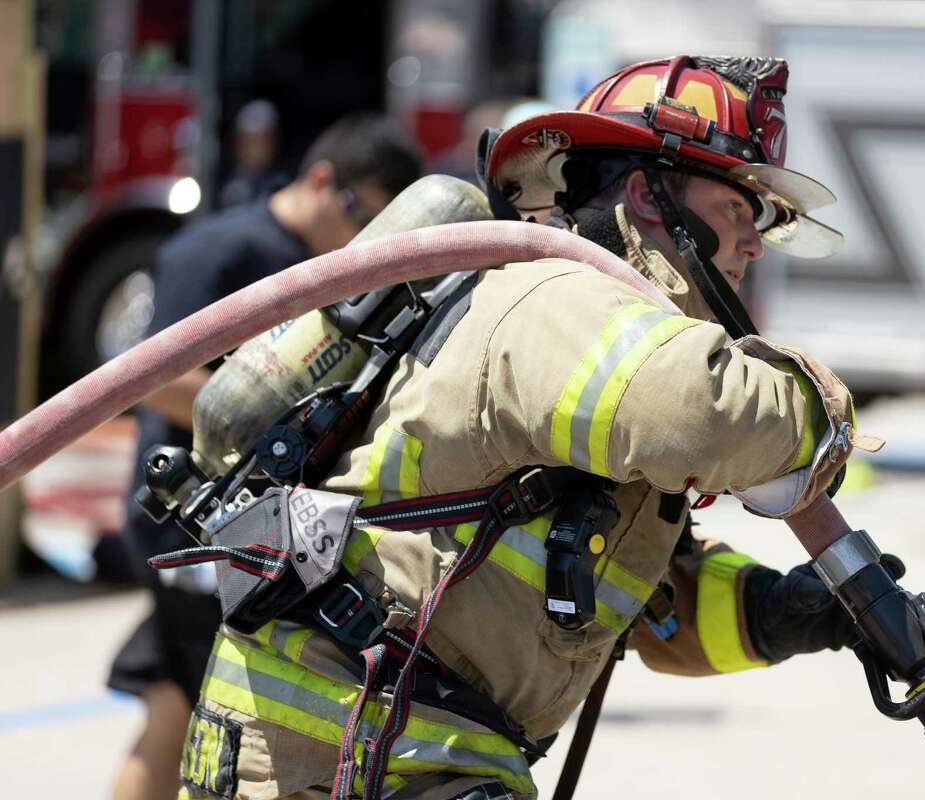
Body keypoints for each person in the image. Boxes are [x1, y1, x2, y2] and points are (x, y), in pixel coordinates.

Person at [177, 56, 883, 800]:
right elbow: (708, 415)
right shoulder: (560, 301)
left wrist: (786, 614)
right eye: (738, 207)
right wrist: (822, 408)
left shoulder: (608, 353)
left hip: (392, 756)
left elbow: (640, 608)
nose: (754, 243)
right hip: (341, 758)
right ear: (647, 198)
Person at [109, 113, 423, 800]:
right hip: (192, 525)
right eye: (356, 212)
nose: (357, 237)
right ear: (320, 181)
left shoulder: (303, 261)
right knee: (199, 719)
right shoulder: (222, 250)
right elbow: (151, 376)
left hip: (235, 529)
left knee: (175, 706)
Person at [219, 100, 291, 208]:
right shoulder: (219, 178)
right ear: (237, 142)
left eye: (262, 142)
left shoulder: (281, 187)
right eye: (250, 141)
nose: (255, 150)